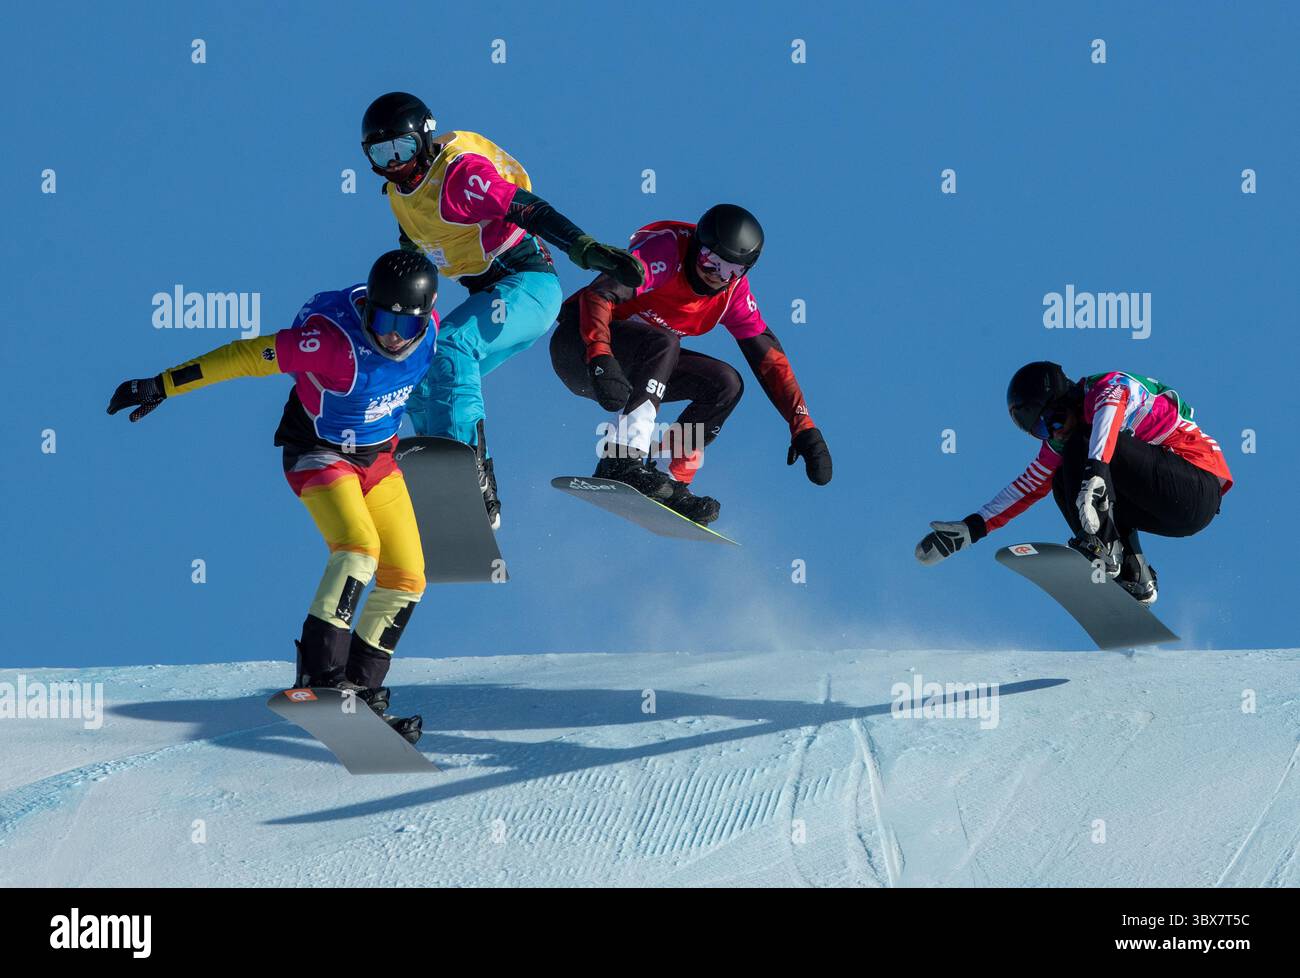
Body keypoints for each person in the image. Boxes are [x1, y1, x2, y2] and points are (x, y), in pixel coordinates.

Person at [107, 251, 442, 741]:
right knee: (357, 550)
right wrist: (162, 385)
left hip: (379, 457)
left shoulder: (430, 329)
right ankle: (321, 677)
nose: (392, 335)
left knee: (409, 577)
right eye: (382, 319)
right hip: (318, 452)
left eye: (403, 325)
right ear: (369, 307)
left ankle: (362, 691)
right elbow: (243, 357)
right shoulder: (329, 344)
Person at [361, 91, 644, 528]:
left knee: (454, 346)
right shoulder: (400, 198)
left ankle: (473, 477)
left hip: (530, 285)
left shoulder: (459, 177)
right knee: (415, 371)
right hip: (491, 295)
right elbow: (411, 259)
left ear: (423, 138)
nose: (393, 161)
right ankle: (436, 470)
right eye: (380, 153)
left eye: (402, 147)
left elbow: (529, 209)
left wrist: (584, 248)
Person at [549, 203, 832, 523]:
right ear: (697, 246)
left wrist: (802, 426)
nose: (717, 276)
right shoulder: (667, 250)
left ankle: (669, 483)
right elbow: (599, 295)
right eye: (711, 262)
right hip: (580, 349)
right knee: (663, 341)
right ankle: (621, 460)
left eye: (732, 271)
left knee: (725, 383)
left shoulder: (733, 294)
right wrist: (600, 355)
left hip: (633, 370)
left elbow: (770, 360)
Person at [915, 361, 1234, 604]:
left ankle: (1104, 548)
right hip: (1171, 512)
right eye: (1041, 431)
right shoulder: (1068, 439)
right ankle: (1133, 574)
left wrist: (1095, 472)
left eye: (1052, 421)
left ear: (1066, 398)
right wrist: (974, 528)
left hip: (1195, 486)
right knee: (1060, 478)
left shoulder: (1108, 388)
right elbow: (1027, 486)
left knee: (1083, 446)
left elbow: (1107, 423)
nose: (1054, 433)